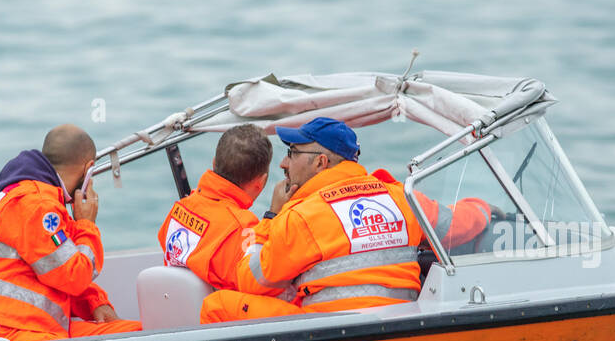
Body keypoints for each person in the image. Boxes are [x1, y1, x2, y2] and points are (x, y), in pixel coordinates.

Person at [200, 117, 494, 323]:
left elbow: (251, 280)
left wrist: (270, 219)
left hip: (329, 337)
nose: (283, 163)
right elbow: (459, 223)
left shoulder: (301, 216)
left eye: (292, 152)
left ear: (320, 162)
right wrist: (485, 207)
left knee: (216, 305)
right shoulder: (400, 198)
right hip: (398, 327)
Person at [0, 124, 142, 341]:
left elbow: (55, 268)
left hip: (12, 327)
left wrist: (94, 302)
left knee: (138, 334)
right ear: (89, 169)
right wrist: (87, 224)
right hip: (7, 332)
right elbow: (73, 277)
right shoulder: (39, 206)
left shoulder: (30, 197)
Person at [157, 125, 272, 290]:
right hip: (215, 314)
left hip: (174, 306)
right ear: (260, 183)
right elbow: (260, 282)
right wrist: (272, 219)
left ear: (214, 163)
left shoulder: (181, 207)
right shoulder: (244, 226)